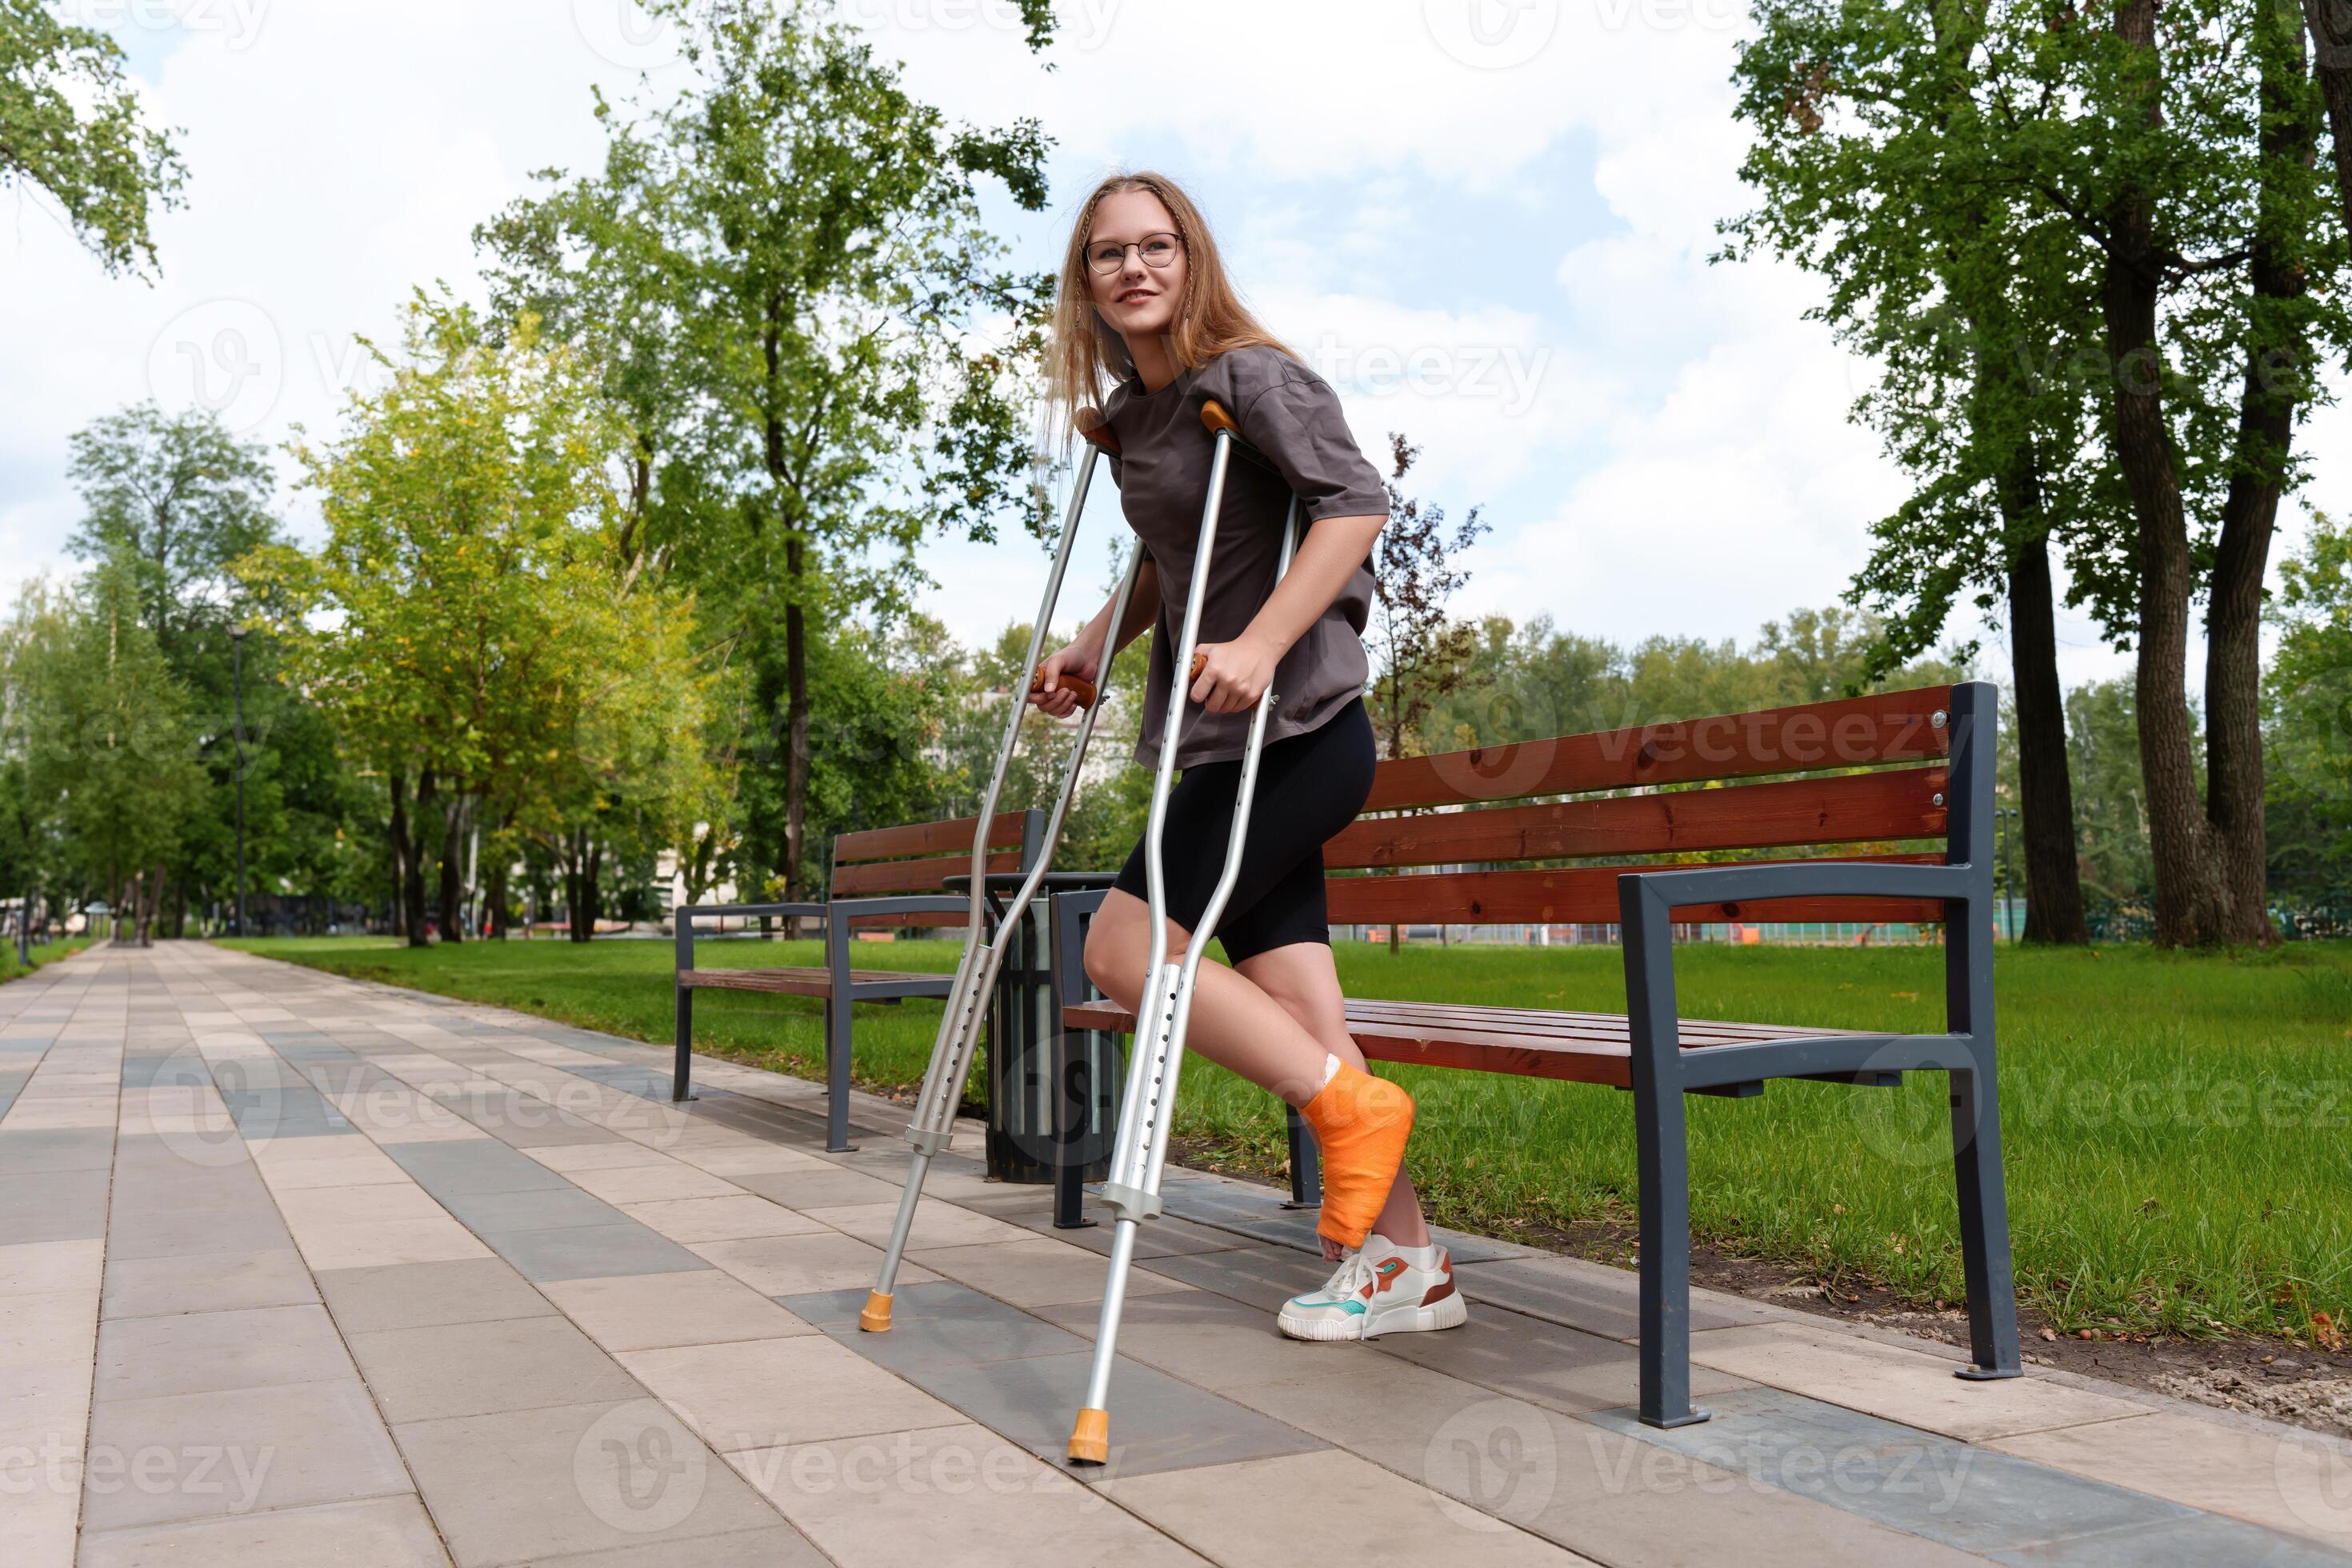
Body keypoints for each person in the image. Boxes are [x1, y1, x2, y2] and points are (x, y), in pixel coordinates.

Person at [1030, 171, 1465, 1342]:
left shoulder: (1253, 377)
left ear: (1192, 256)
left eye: (1156, 246)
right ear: (1087, 281)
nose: (1134, 268)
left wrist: (1267, 642)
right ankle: (1410, 1262)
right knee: (1302, 1006)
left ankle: (1351, 1122)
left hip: (1302, 732)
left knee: (1121, 950)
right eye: (1108, 253)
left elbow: (1354, 503)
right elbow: (1173, 557)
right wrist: (1092, 642)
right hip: (1217, 746)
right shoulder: (1139, 416)